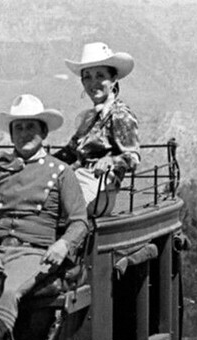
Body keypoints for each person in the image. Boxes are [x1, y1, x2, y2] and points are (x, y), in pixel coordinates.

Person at [0, 94, 89, 340]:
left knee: (8, 292)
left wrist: (63, 244)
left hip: (34, 255)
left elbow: (79, 220)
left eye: (31, 127)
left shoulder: (60, 172)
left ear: (43, 132)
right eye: (19, 128)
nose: (24, 133)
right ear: (11, 134)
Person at [54, 41, 141, 212]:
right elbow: (70, 152)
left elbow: (133, 157)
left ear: (113, 80)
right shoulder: (90, 118)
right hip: (78, 180)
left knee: (57, 209)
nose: (93, 83)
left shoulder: (119, 115)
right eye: (87, 77)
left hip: (100, 189)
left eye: (100, 76)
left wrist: (110, 161)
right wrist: (38, 162)